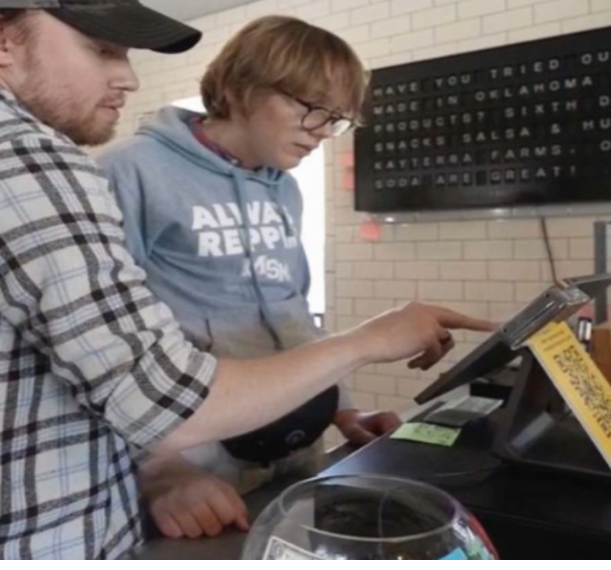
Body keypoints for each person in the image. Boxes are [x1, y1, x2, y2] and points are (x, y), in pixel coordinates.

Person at [0, 0, 492, 560]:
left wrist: (332, 403)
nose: (129, 75)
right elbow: (161, 400)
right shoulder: (13, 157)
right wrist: (369, 340)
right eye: (101, 48)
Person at [98, 16, 398, 541]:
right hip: (193, 467)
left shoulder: (284, 188)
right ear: (240, 89)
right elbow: (101, 341)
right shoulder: (130, 170)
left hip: (297, 444)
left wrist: (341, 408)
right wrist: (157, 469)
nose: (324, 131)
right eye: (310, 108)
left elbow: (294, 308)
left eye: (336, 118)